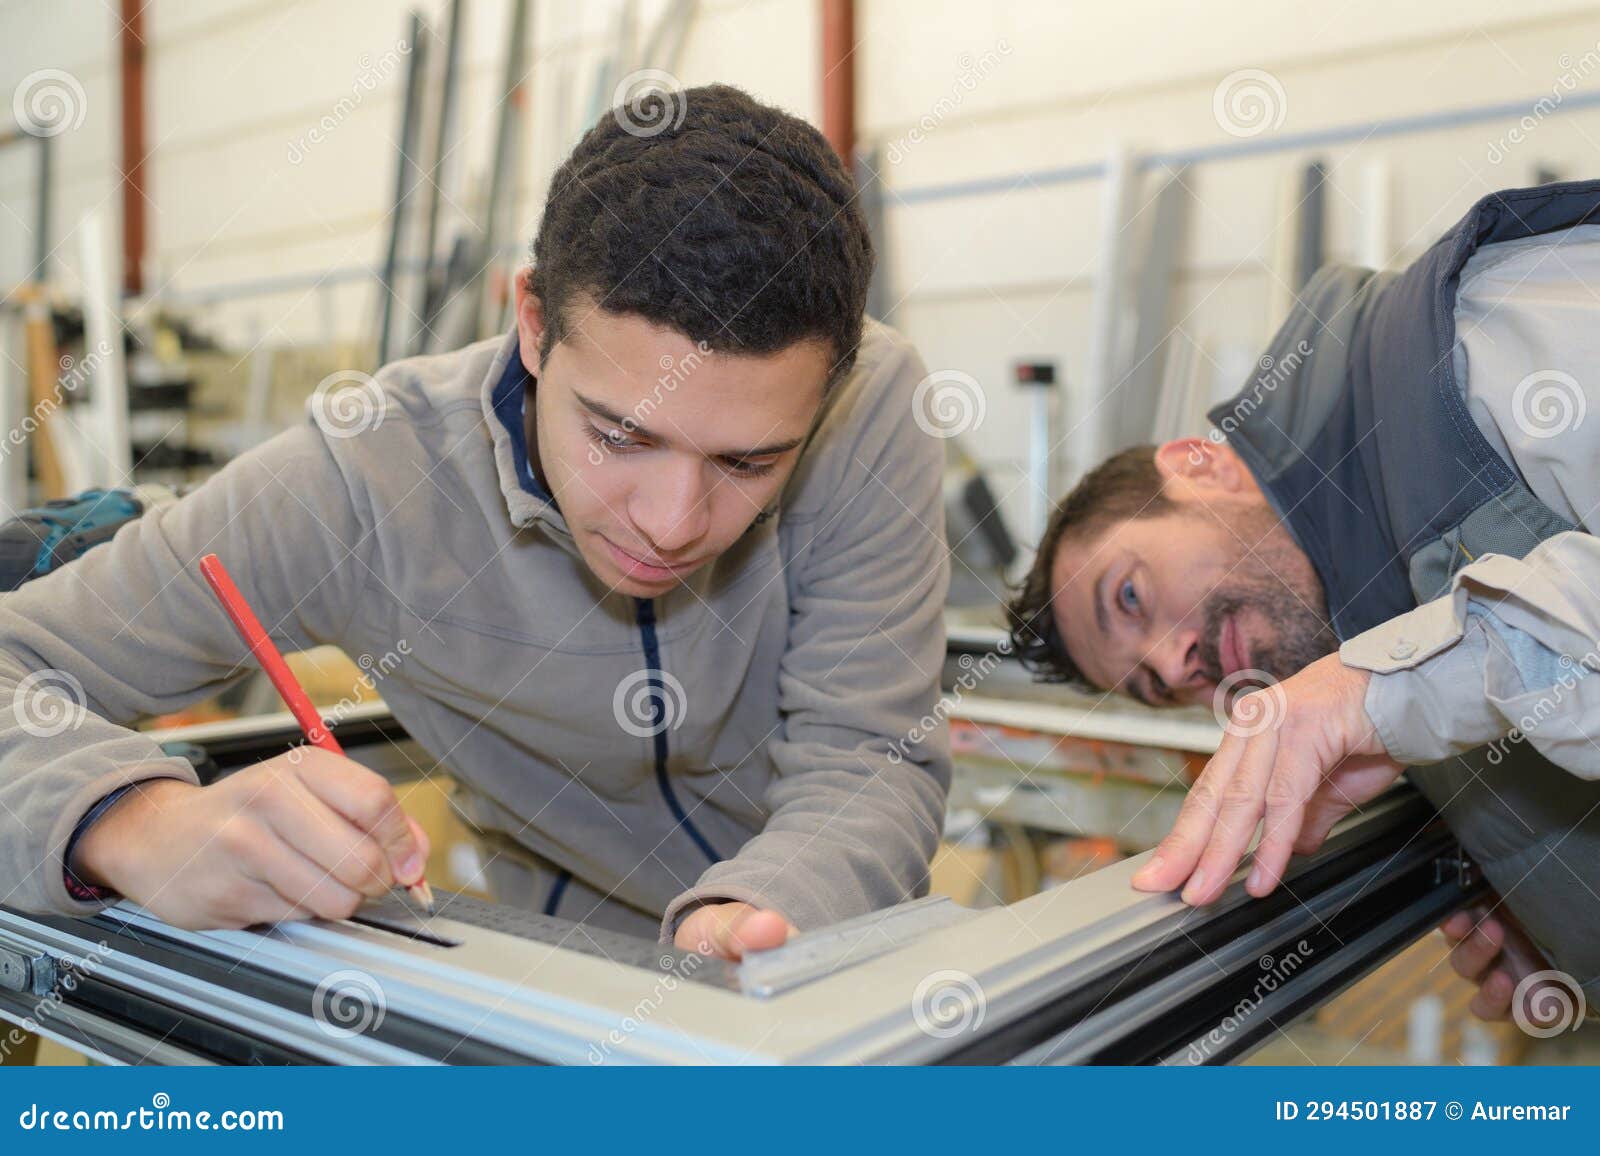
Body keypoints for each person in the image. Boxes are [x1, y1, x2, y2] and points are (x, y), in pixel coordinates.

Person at [0, 85, 953, 963]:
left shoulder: (872, 409)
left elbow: (870, 754)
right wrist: (129, 818)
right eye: (621, 434)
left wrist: (761, 922)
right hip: (554, 988)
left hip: (803, 966)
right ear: (534, 322)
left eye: (750, 462)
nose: (671, 524)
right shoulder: (364, 477)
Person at [1008, 179, 1600, 1019]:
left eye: (1131, 595)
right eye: (1155, 687)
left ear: (1195, 464)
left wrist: (1386, 690)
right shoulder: (1374, 640)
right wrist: (1554, 892)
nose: (1177, 663)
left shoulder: (1480, 335)